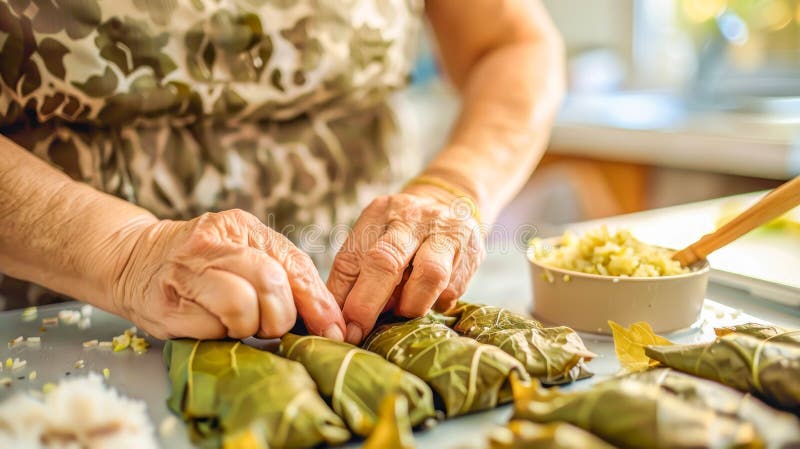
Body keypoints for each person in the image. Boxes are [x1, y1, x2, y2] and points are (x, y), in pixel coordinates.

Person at [0, 0, 563, 344]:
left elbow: (512, 44)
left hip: (368, 307)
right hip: (44, 312)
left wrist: (454, 186)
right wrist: (125, 252)